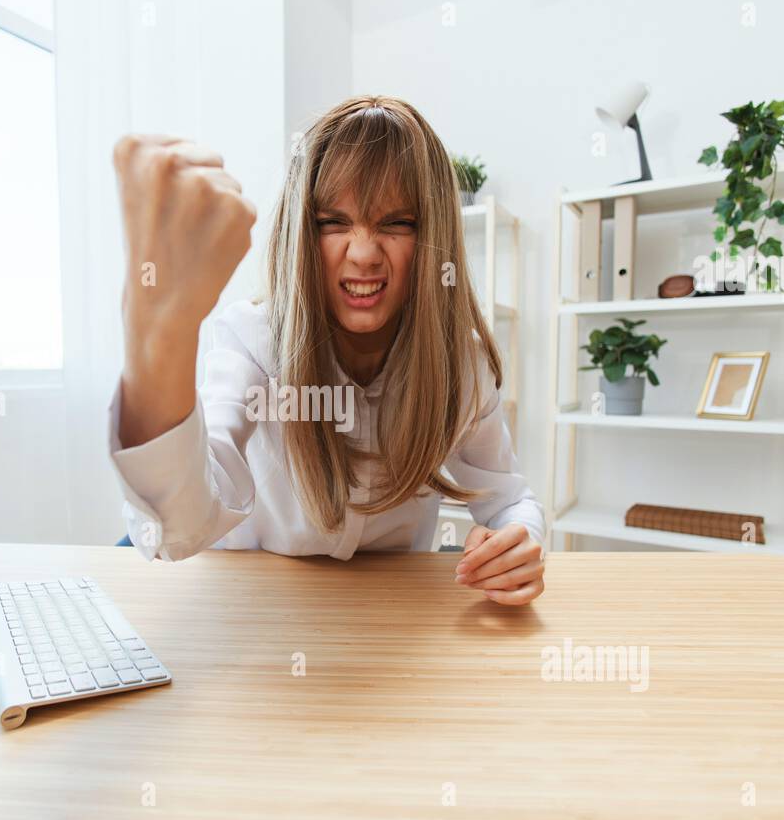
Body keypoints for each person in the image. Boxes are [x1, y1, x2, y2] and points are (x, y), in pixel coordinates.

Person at [107, 95, 545, 606]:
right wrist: (159, 330)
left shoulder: (460, 365)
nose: (362, 254)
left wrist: (521, 540)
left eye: (397, 223)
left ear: (433, 237)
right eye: (332, 223)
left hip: (383, 621)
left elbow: (509, 500)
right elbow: (179, 529)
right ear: (301, 232)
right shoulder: (254, 338)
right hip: (258, 611)